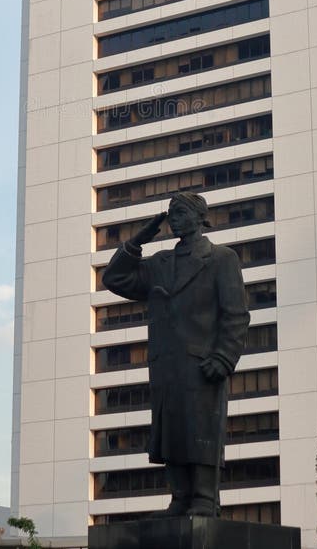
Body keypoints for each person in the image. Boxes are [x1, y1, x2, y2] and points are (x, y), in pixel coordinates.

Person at [102, 191, 250, 516]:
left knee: (201, 429)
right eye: (171, 213)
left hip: (202, 364)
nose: (174, 219)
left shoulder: (222, 259)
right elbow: (114, 278)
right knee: (170, 431)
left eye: (181, 212)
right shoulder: (159, 263)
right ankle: (180, 497)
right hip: (166, 365)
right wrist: (138, 240)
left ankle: (204, 499)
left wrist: (224, 357)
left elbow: (236, 315)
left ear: (200, 217)